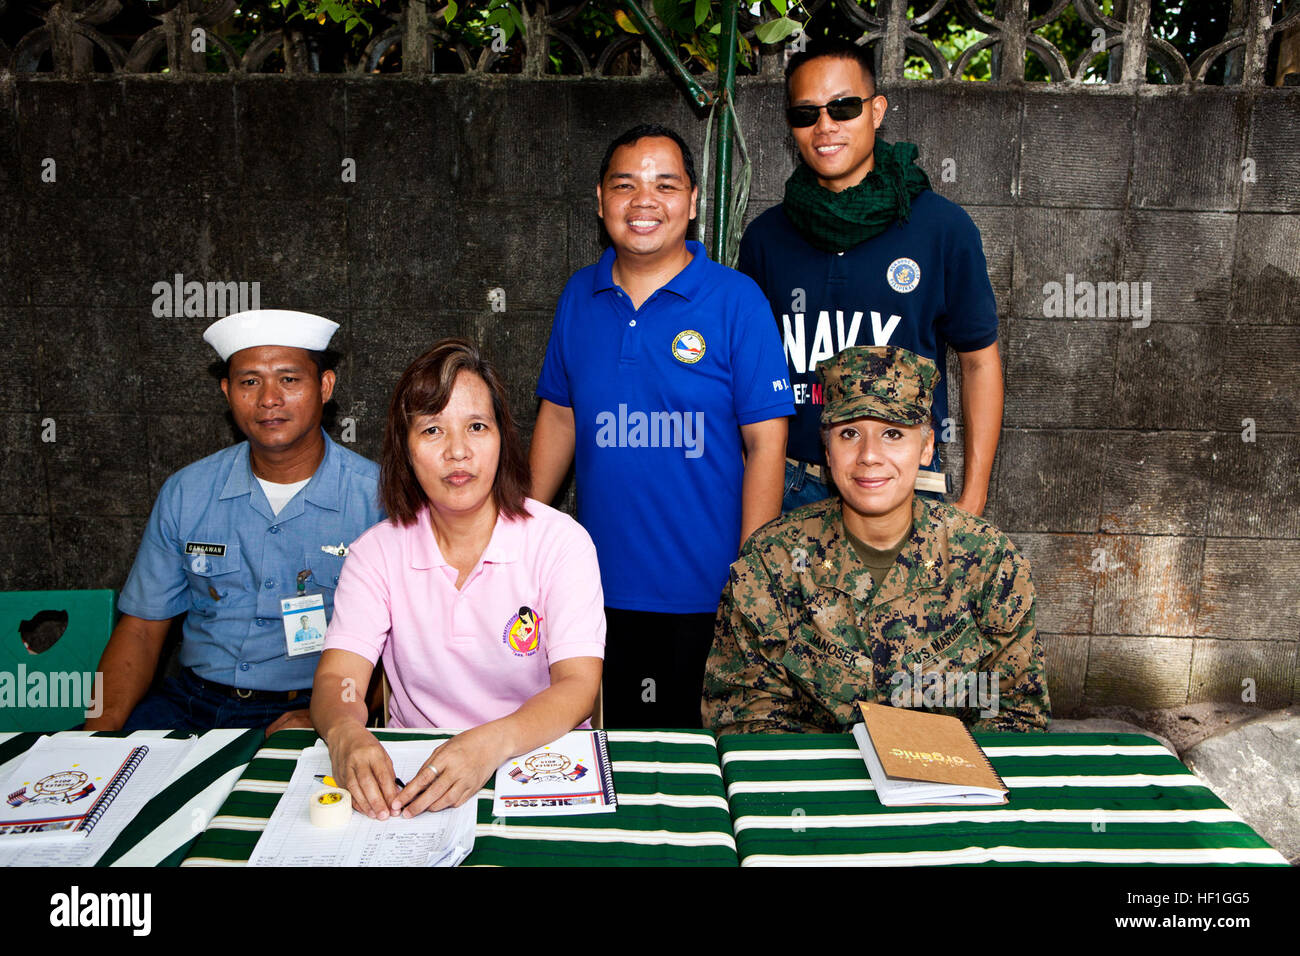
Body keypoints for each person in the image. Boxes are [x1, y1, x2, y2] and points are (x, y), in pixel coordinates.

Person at [529, 124, 794, 729]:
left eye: (664, 184)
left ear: (694, 201)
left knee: (697, 765)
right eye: (625, 185)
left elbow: (766, 441)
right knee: (608, 753)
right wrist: (514, 529)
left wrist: (751, 576)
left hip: (707, 595)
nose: (643, 201)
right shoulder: (579, 295)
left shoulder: (736, 300)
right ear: (600, 202)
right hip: (593, 592)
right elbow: (561, 415)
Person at [311, 339, 604, 818]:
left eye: (476, 427)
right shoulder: (375, 554)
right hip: (416, 772)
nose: (458, 451)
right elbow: (340, 677)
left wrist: (489, 744)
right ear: (404, 450)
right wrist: (345, 732)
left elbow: (576, 686)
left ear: (502, 438)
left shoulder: (560, 542)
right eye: (431, 430)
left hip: (539, 762)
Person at [702, 345, 1049, 734]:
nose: (869, 455)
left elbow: (1016, 714)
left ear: (927, 446)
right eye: (849, 434)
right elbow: (745, 718)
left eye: (893, 434)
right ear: (827, 449)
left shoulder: (988, 561)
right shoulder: (772, 562)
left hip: (945, 789)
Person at [738, 38, 1003, 516]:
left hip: (906, 485)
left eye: (843, 107)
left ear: (876, 111)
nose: (825, 126)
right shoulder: (765, 238)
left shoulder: (941, 229)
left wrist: (974, 496)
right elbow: (749, 375)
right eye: (806, 113)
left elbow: (979, 362)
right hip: (792, 484)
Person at [85, 310, 383, 734]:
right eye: (249, 382)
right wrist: (95, 733)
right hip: (190, 701)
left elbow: (407, 649)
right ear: (227, 392)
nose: (268, 399)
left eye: (289, 379)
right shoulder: (186, 492)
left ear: (325, 386)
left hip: (309, 707)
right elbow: (140, 631)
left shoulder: (379, 498)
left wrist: (335, 717)